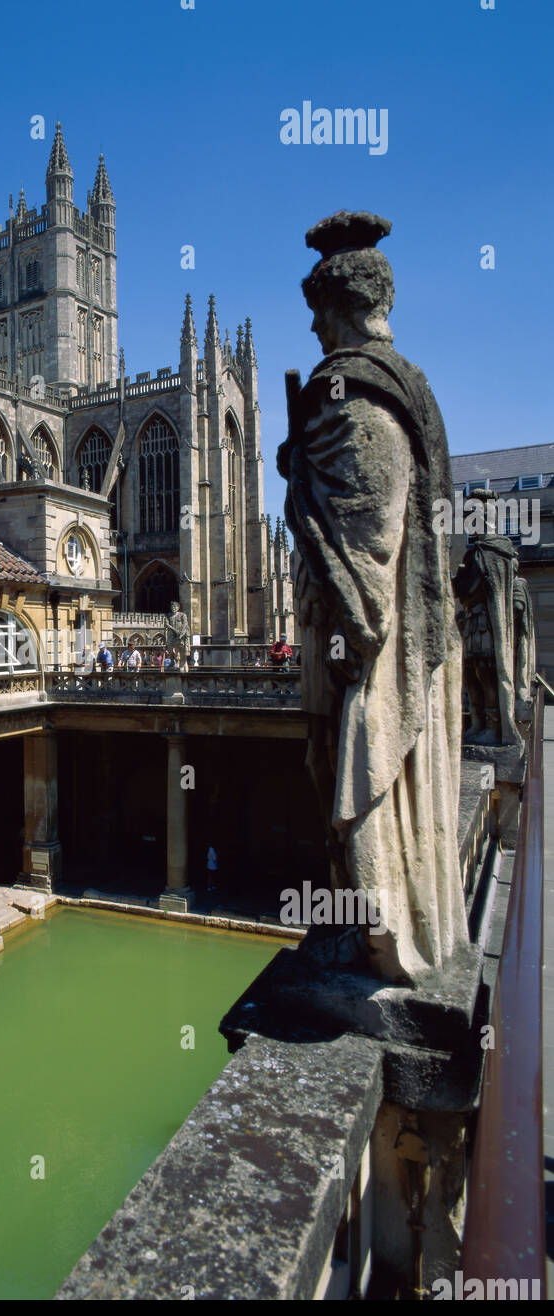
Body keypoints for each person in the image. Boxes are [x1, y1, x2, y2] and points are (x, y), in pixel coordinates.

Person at [278, 208, 468, 984]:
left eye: (320, 313)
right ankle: (370, 922)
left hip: (369, 657)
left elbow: (366, 563)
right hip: (398, 644)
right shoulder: (412, 387)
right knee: (344, 784)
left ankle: (376, 938)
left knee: (357, 784)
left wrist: (299, 487)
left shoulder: (355, 394)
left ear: (345, 306)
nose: (317, 330)